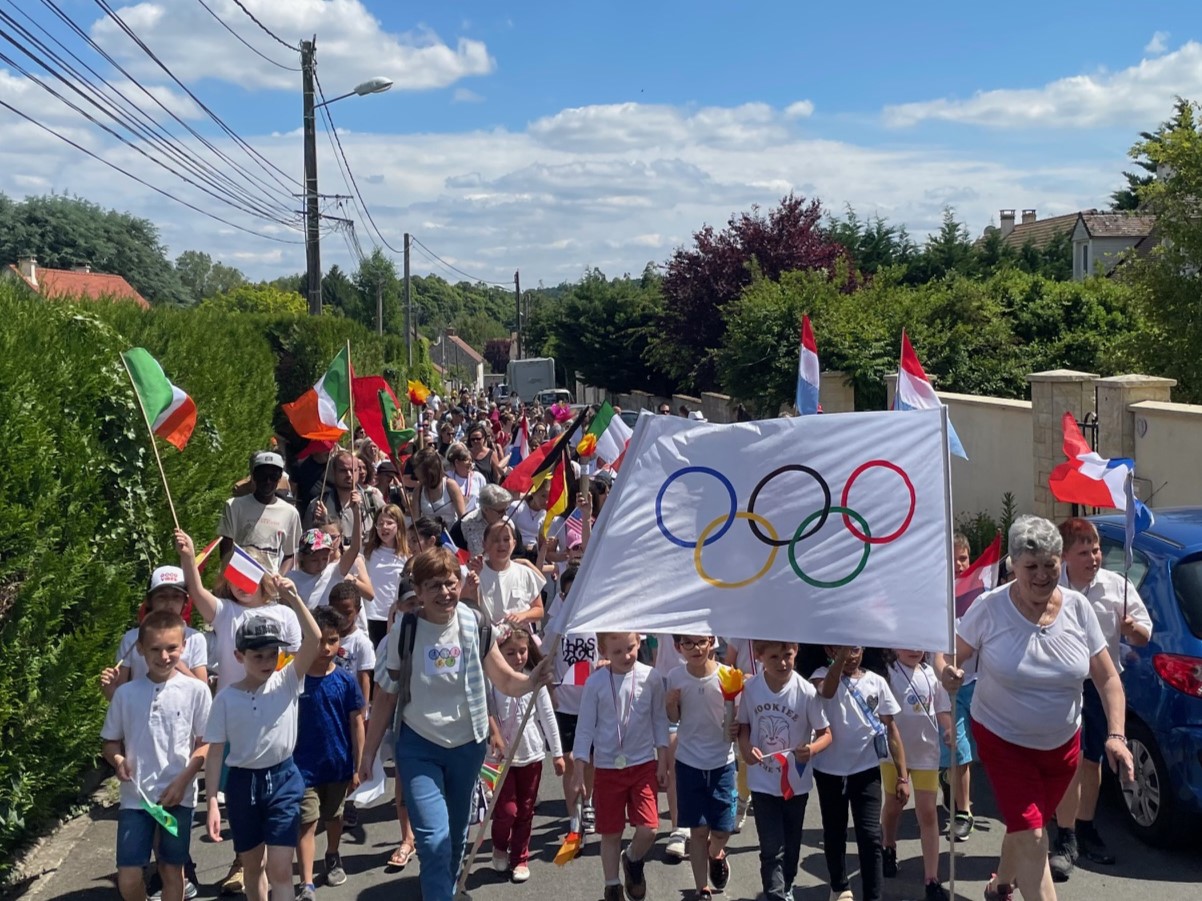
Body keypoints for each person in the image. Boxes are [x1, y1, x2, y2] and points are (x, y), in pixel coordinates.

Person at [941, 515, 1136, 901]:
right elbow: (949, 655)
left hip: (1062, 749)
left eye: (1050, 564)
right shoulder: (989, 608)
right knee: (1033, 835)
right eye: (1031, 566)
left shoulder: (1078, 608)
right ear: (1013, 565)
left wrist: (1116, 735)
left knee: (1026, 827)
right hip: (1003, 742)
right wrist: (947, 672)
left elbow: (1108, 678)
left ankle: (999, 885)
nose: (1043, 575)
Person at [357, 547, 552, 901]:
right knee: (434, 839)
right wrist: (368, 754)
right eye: (434, 585)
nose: (445, 592)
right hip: (418, 746)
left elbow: (506, 680)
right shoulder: (405, 630)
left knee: (457, 835)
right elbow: (385, 696)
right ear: (418, 590)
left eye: (450, 583)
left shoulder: (475, 622)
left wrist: (532, 679)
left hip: (467, 746)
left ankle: (444, 890)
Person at [174, 532, 303, 896]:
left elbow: (297, 655)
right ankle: (243, 861)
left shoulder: (282, 613)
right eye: (234, 578)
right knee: (242, 803)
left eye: (249, 577)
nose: (241, 586)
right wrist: (188, 558)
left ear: (265, 579)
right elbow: (197, 592)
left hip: (275, 714)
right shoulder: (225, 612)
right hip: (234, 719)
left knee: (278, 850)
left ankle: (264, 865)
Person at [203, 575, 321, 901]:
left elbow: (314, 638)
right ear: (239, 656)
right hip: (242, 784)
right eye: (258, 656)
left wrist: (294, 599)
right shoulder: (226, 699)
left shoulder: (288, 679)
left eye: (272, 654)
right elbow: (215, 753)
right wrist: (211, 800)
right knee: (253, 867)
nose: (267, 662)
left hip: (283, 779)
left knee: (280, 869)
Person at [1049, 517, 1152, 878]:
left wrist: (1131, 629)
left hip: (1098, 684)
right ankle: (1062, 832)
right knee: (1065, 759)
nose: (1094, 558)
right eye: (1084, 553)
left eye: (1096, 550)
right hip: (1060, 683)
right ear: (1064, 556)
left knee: (1090, 760)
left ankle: (1084, 828)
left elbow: (1144, 635)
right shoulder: (1051, 586)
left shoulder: (1115, 586)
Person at [102, 610, 211, 901]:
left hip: (178, 797)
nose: (164, 656)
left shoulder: (196, 691)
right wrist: (118, 760)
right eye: (155, 649)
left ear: (183, 647)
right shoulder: (126, 694)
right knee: (128, 877)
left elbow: (206, 743)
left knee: (172, 870)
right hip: (136, 799)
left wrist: (184, 780)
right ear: (140, 649)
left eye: (171, 648)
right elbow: (110, 742)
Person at [572, 632, 669, 901]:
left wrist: (662, 759)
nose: (626, 656)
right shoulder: (595, 683)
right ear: (604, 651)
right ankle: (612, 885)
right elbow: (585, 729)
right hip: (607, 768)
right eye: (617, 652)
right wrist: (579, 768)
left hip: (642, 764)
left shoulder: (651, 677)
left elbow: (659, 719)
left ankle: (633, 858)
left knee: (649, 828)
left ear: (639, 642)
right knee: (611, 832)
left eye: (630, 648)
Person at [812, 645, 908, 901]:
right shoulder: (820, 675)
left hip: (866, 770)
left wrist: (903, 776)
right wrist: (840, 659)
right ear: (829, 650)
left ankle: (873, 896)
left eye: (855, 650)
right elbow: (828, 691)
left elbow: (892, 730)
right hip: (829, 771)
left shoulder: (876, 681)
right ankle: (840, 886)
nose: (851, 656)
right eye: (844, 650)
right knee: (835, 832)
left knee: (871, 837)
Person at [737, 640, 831, 901]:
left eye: (787, 655)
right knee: (771, 848)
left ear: (796, 652)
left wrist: (811, 749)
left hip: (794, 783)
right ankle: (775, 895)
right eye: (774, 657)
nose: (782, 663)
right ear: (760, 656)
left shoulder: (805, 691)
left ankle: (787, 884)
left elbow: (826, 733)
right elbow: (743, 726)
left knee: (790, 845)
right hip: (762, 781)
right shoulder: (751, 688)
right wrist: (746, 748)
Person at [293, 606, 365, 901]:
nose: (325, 648)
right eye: (319, 641)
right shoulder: (294, 678)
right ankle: (306, 882)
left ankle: (333, 855)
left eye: (332, 641)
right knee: (306, 822)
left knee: (334, 818)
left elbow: (356, 723)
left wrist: (358, 766)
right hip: (302, 766)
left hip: (337, 763)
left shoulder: (345, 681)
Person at [488, 626, 564, 883]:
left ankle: (520, 856)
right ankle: (500, 845)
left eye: (522, 651)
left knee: (526, 810)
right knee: (507, 810)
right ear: (498, 654)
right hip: (500, 758)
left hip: (531, 754)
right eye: (510, 653)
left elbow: (548, 717)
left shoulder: (535, 681)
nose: (518, 657)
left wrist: (557, 753)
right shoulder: (493, 682)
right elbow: (486, 713)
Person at [665, 635, 737, 901]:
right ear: (679, 647)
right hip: (689, 762)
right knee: (697, 831)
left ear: (712, 642)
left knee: (723, 829)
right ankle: (701, 888)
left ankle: (715, 852)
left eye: (701, 642)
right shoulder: (675, 676)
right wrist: (670, 704)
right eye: (688, 644)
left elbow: (739, 715)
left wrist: (736, 726)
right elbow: (674, 718)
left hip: (722, 763)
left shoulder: (728, 675)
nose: (696, 649)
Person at [880, 650, 953, 901]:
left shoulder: (932, 675)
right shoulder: (888, 673)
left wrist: (948, 729)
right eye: (907, 645)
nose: (913, 650)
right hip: (894, 755)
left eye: (918, 645)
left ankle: (932, 879)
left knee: (928, 812)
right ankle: (888, 845)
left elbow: (942, 710)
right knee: (894, 805)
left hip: (926, 754)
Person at [101, 566, 208, 702]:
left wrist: (175, 663)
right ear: (149, 601)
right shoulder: (132, 638)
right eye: (162, 597)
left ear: (185, 602)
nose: (169, 603)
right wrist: (109, 688)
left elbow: (203, 691)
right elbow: (120, 698)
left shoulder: (195, 638)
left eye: (176, 597)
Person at [544, 566, 598, 833]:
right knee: (568, 760)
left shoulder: (598, 624)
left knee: (589, 760)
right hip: (564, 705)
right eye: (569, 594)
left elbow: (608, 655)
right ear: (562, 597)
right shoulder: (556, 627)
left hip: (593, 705)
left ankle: (588, 803)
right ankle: (573, 816)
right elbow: (545, 660)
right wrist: (550, 690)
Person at [934, 531, 977, 843]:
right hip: (949, 686)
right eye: (953, 560)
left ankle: (949, 780)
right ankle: (964, 811)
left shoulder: (981, 595)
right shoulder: (937, 599)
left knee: (983, 747)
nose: (960, 565)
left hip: (981, 682)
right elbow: (935, 651)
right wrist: (945, 672)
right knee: (958, 748)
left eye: (963, 558)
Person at [218, 451, 302, 573]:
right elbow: (226, 547)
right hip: (239, 576)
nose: (268, 481)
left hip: (270, 580)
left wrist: (279, 577)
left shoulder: (290, 513)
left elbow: (291, 554)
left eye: (273, 476)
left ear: (279, 478)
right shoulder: (234, 506)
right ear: (254, 476)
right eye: (262, 475)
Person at [463, 520, 545, 629]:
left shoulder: (525, 573)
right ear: (484, 544)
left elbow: (539, 610)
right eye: (495, 540)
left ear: (514, 543)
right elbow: (465, 606)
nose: (502, 544)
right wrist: (473, 581)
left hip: (519, 634)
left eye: (506, 539)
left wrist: (523, 615)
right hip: (488, 635)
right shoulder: (476, 572)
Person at [363, 504, 409, 648]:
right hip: (371, 615)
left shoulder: (407, 556)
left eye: (389, 523)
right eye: (380, 523)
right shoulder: (367, 552)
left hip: (395, 615)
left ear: (399, 525)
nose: (384, 527)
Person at [305, 450, 373, 543]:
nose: (349, 475)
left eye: (353, 470)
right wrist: (322, 521)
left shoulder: (372, 501)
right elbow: (307, 542)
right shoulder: (318, 505)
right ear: (334, 472)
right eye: (343, 470)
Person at [450, 483, 515, 558]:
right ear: (485, 509)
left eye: (506, 509)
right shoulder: (465, 524)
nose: (505, 514)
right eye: (500, 511)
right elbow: (455, 555)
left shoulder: (508, 523)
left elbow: (518, 553)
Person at [409, 447, 466, 530]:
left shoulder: (450, 485)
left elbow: (462, 518)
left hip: (451, 534)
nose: (414, 472)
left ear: (428, 470)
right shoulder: (418, 491)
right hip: (428, 536)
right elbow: (416, 522)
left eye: (417, 468)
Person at [447, 442, 488, 515]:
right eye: (466, 460)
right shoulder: (448, 477)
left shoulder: (478, 477)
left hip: (474, 518)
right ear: (457, 462)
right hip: (453, 518)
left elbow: (484, 501)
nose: (470, 463)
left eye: (471, 460)